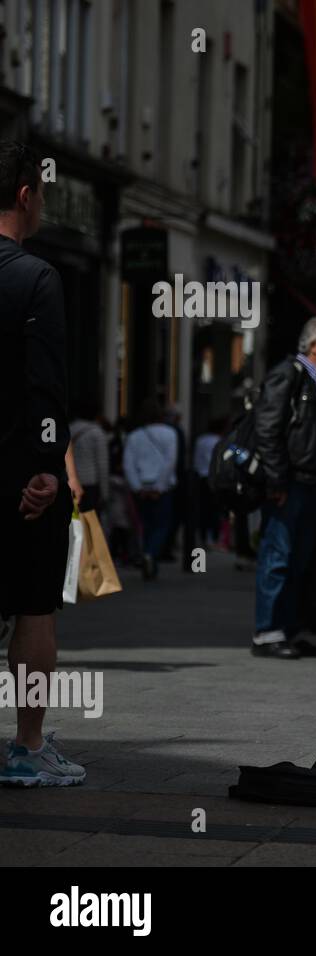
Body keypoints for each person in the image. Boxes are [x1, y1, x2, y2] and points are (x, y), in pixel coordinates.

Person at [0, 140, 85, 786]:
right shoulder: (36, 277)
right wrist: (48, 468)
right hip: (16, 476)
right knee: (33, 607)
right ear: (26, 196)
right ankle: (28, 746)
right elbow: (45, 387)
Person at [250, 315, 316, 659]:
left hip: (312, 485)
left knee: (300, 559)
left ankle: (288, 630)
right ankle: (267, 632)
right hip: (289, 484)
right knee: (278, 555)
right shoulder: (288, 375)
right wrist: (276, 479)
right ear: (314, 345)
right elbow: (267, 429)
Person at [123, 399, 180, 581]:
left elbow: (128, 464)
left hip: (141, 484)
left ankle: (149, 556)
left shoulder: (133, 436)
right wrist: (160, 487)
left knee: (146, 524)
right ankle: (151, 554)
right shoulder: (170, 433)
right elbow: (170, 462)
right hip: (162, 486)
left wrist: (137, 487)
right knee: (162, 524)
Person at [69, 403, 110, 514]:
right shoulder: (97, 432)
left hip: (70, 481)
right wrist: (105, 493)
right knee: (90, 522)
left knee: (73, 519)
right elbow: (102, 464)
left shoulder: (69, 429)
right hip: (91, 484)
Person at [192, 418, 223, 548]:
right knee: (214, 509)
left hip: (200, 476)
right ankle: (212, 537)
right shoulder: (219, 441)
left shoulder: (200, 440)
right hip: (213, 477)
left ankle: (203, 536)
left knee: (203, 509)